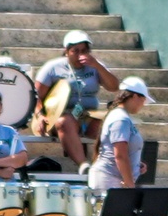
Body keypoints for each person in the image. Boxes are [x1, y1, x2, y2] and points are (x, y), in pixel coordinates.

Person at [33, 29, 116, 170]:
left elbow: (113, 87)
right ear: (66, 51)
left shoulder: (95, 66)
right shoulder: (53, 68)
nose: (80, 55)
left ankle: (104, 166)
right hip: (61, 114)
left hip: (89, 114)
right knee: (65, 121)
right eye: (75, 51)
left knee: (110, 123)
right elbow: (36, 97)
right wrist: (40, 116)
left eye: (84, 51)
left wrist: (97, 66)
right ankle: (83, 164)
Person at [86, 78, 149, 192]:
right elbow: (120, 155)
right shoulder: (121, 119)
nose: (143, 104)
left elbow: (121, 151)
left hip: (112, 178)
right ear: (135, 96)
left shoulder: (120, 116)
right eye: (143, 99)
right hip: (109, 180)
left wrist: (135, 164)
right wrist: (130, 185)